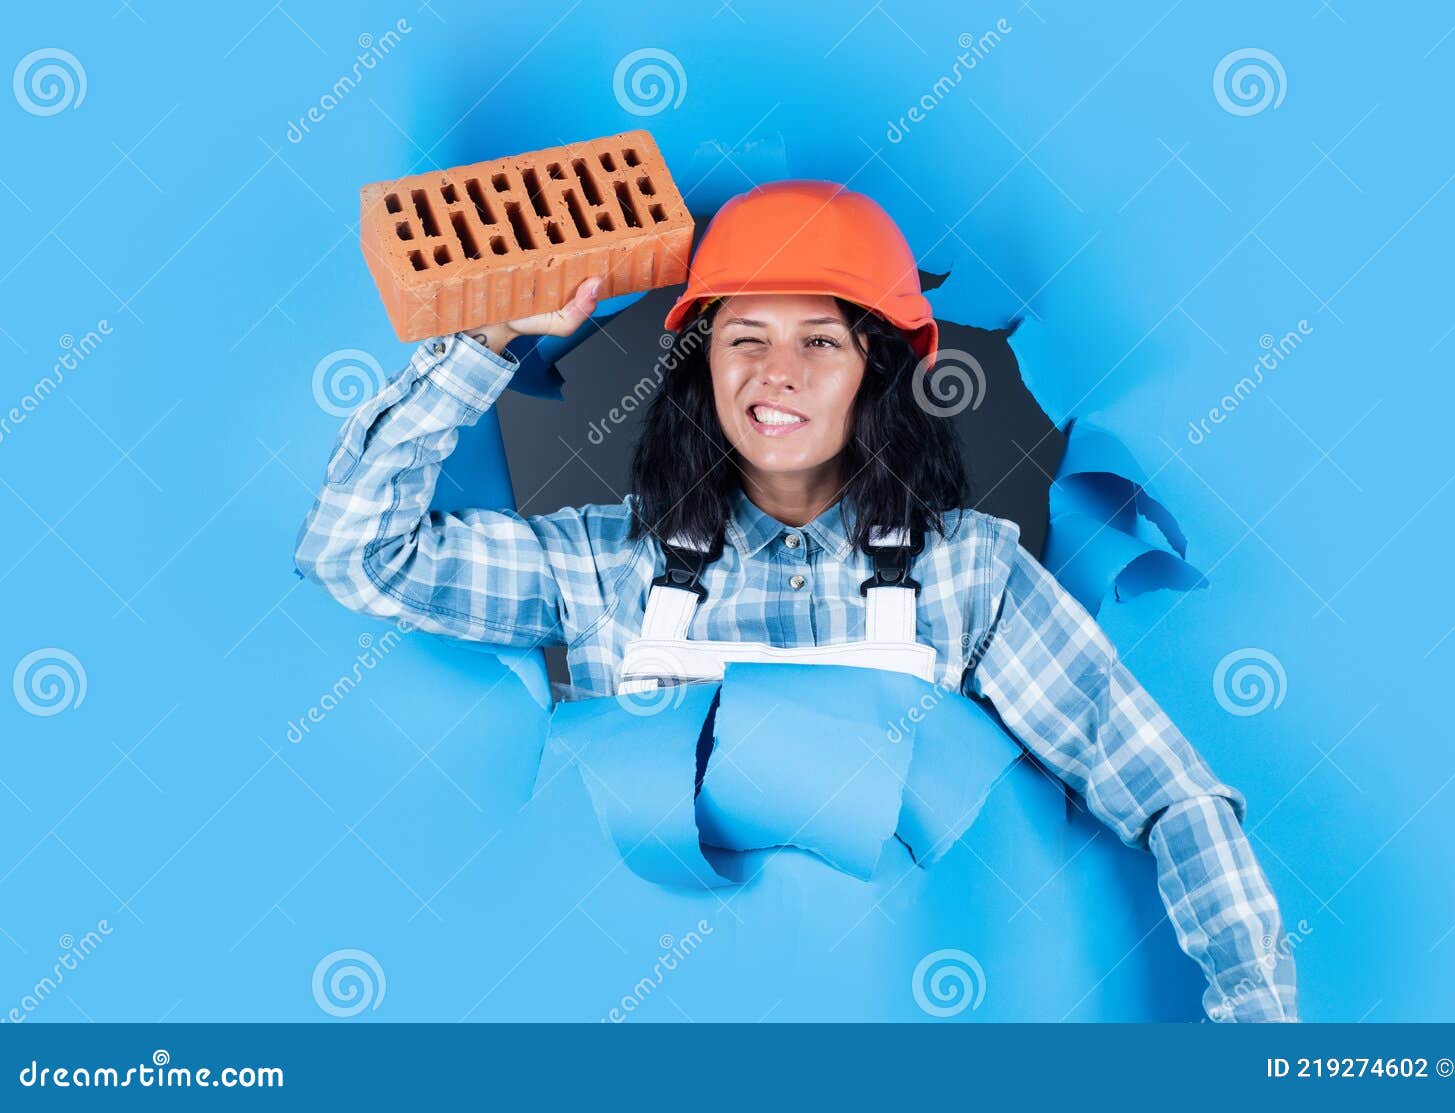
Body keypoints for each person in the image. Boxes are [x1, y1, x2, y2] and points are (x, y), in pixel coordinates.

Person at [294, 179, 1298, 1022]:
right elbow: (360, 553)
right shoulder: (608, 564)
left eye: (820, 341)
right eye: (745, 338)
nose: (776, 374)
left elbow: (1166, 791)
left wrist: (1257, 1021)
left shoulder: (967, 575)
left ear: (877, 373)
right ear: (703, 366)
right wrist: (486, 343)